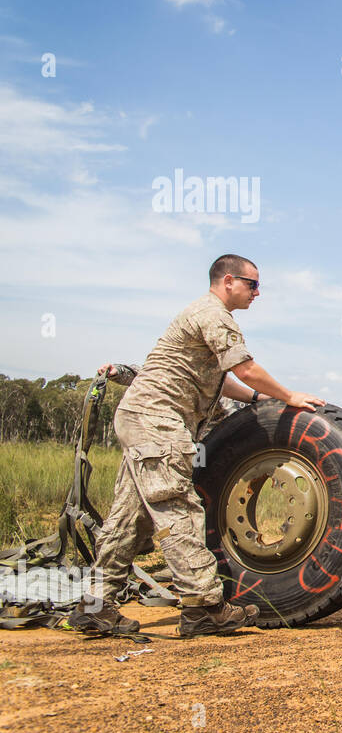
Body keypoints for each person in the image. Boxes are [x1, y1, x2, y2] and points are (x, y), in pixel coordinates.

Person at [71, 254, 326, 637]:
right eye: (252, 284)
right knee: (179, 508)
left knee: (130, 516)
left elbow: (224, 381)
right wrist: (288, 396)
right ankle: (203, 605)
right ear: (227, 280)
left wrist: (257, 401)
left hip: (143, 419)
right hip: (157, 420)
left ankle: (94, 606)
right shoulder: (213, 315)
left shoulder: (204, 316)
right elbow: (246, 369)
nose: (258, 292)